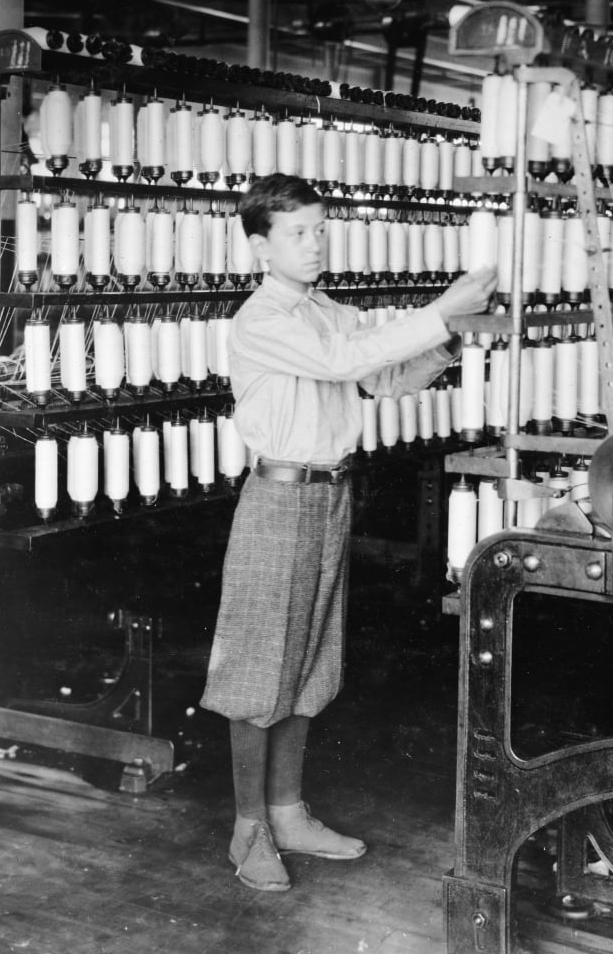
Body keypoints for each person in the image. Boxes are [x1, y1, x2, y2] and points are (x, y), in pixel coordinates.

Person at [199, 173, 496, 892]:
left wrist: (448, 338)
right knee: (259, 666)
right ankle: (248, 830)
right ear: (260, 247)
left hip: (330, 496)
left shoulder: (329, 312)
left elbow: (381, 380)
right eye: (298, 233)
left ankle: (288, 813)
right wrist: (439, 309)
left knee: (309, 662)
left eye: (321, 230)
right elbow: (343, 362)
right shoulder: (261, 320)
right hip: (278, 500)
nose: (315, 244)